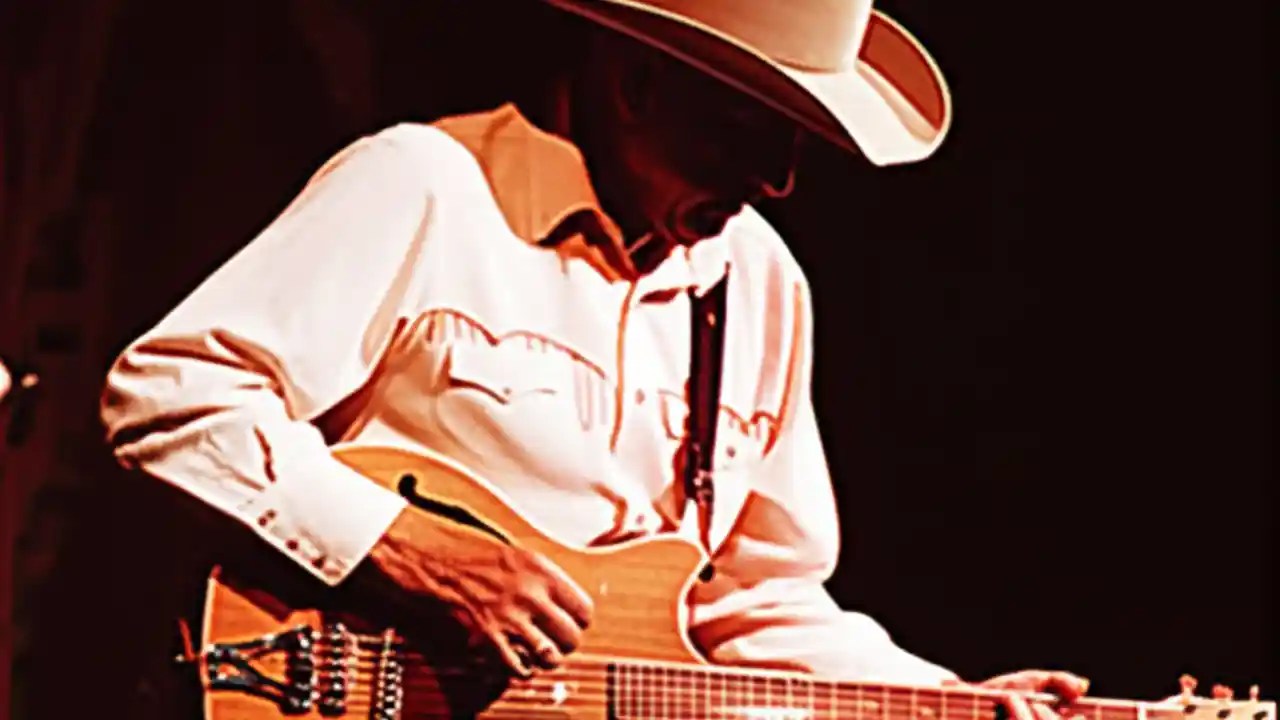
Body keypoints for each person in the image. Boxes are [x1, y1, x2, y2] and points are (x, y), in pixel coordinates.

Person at [100, 0, 1088, 715]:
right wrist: (403, 549)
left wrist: (946, 702)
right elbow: (176, 397)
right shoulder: (427, 187)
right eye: (747, 128)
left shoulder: (760, 283)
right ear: (635, 82)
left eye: (795, 141)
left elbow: (754, 598)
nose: (778, 181)